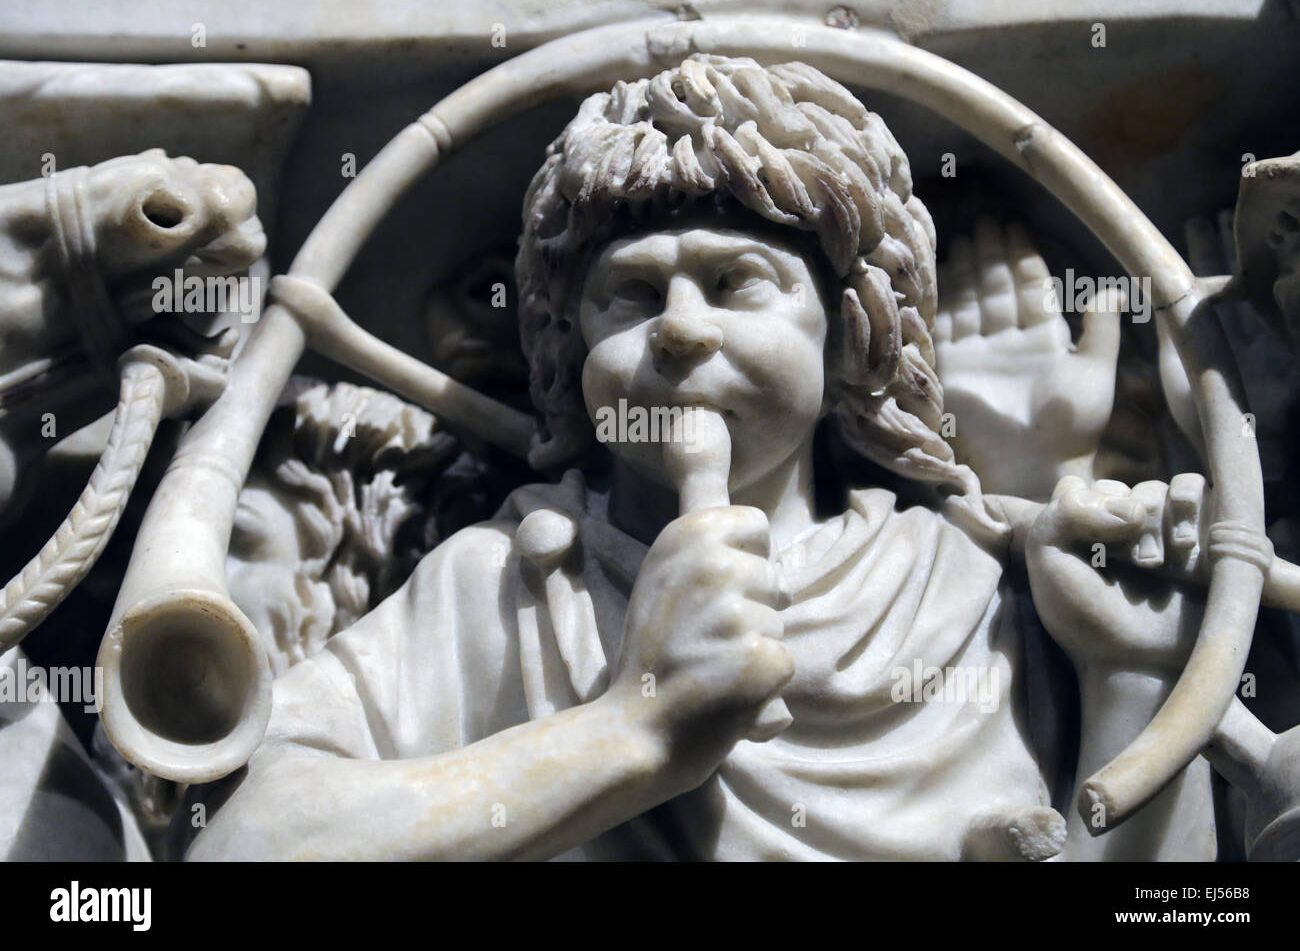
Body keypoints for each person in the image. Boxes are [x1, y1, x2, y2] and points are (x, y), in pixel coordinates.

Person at [182, 55, 1217, 861]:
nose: (678, 329)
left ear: (847, 332)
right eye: (630, 293)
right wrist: (631, 729)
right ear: (568, 346)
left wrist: (1128, 672)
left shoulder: (968, 595)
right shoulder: (502, 588)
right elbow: (241, 846)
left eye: (735, 283)